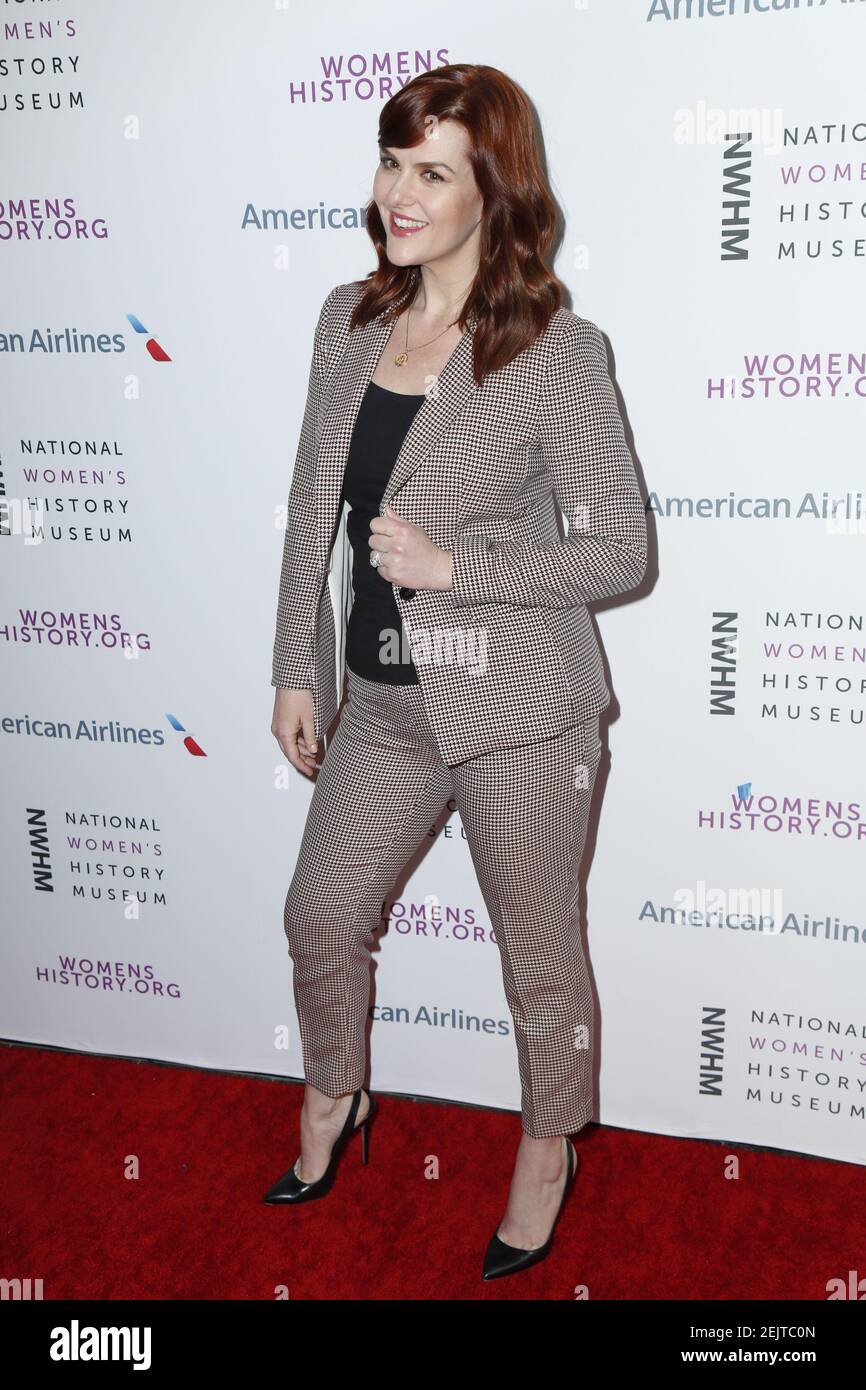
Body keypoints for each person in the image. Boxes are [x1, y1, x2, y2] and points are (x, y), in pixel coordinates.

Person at [265, 64, 647, 1281]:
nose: (398, 192)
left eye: (432, 171)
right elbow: (306, 509)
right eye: (392, 163)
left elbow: (621, 548)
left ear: (496, 190)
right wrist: (294, 665)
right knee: (320, 913)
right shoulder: (349, 318)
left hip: (521, 714)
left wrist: (454, 562)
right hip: (379, 705)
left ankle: (547, 1147)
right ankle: (337, 1095)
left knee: (538, 958)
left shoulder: (555, 350)